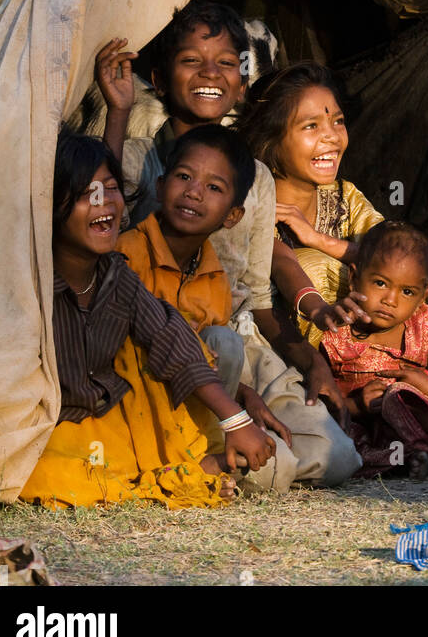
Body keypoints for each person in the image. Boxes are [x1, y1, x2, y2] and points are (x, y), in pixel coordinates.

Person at [94, 3, 362, 487]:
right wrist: (119, 111)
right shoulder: (137, 160)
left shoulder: (255, 177)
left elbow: (258, 300)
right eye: (191, 61)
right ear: (159, 78)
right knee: (273, 468)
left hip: (241, 340)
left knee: (337, 458)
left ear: (241, 83)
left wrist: (312, 362)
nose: (209, 74)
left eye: (225, 62)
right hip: (165, 342)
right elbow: (99, 208)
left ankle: (244, 445)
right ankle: (212, 456)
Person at [20, 130, 277, 509]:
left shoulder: (116, 275)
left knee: (176, 357)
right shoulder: (28, 282)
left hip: (111, 419)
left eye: (111, 189)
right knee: (46, 477)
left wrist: (235, 419)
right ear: (50, 206)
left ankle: (178, 471)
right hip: (49, 425)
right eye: (87, 193)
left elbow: (171, 338)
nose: (104, 203)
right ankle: (180, 478)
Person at [118, 124, 334, 491]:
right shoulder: (127, 255)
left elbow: (214, 363)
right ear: (159, 186)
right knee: (225, 343)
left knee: (282, 466)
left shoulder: (215, 278)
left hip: (196, 412)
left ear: (232, 217)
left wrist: (244, 395)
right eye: (184, 177)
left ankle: (204, 458)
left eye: (214, 188)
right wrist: (235, 417)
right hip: (134, 410)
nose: (194, 192)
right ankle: (186, 466)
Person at [236, 61, 428, 347]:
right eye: (311, 126)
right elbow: (281, 268)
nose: (333, 137)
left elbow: (399, 257)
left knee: (423, 268)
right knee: (314, 266)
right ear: (269, 139)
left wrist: (317, 239)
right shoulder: (251, 207)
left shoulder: (345, 197)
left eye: (338, 121)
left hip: (379, 345)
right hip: (282, 349)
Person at [320, 222, 428, 487]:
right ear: (353, 277)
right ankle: (413, 459)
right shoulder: (337, 336)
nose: (391, 300)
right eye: (380, 283)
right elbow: (326, 400)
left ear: (423, 297)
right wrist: (357, 405)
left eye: (407, 292)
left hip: (427, 420)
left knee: (400, 394)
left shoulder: (420, 331)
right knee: (341, 442)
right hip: (371, 428)